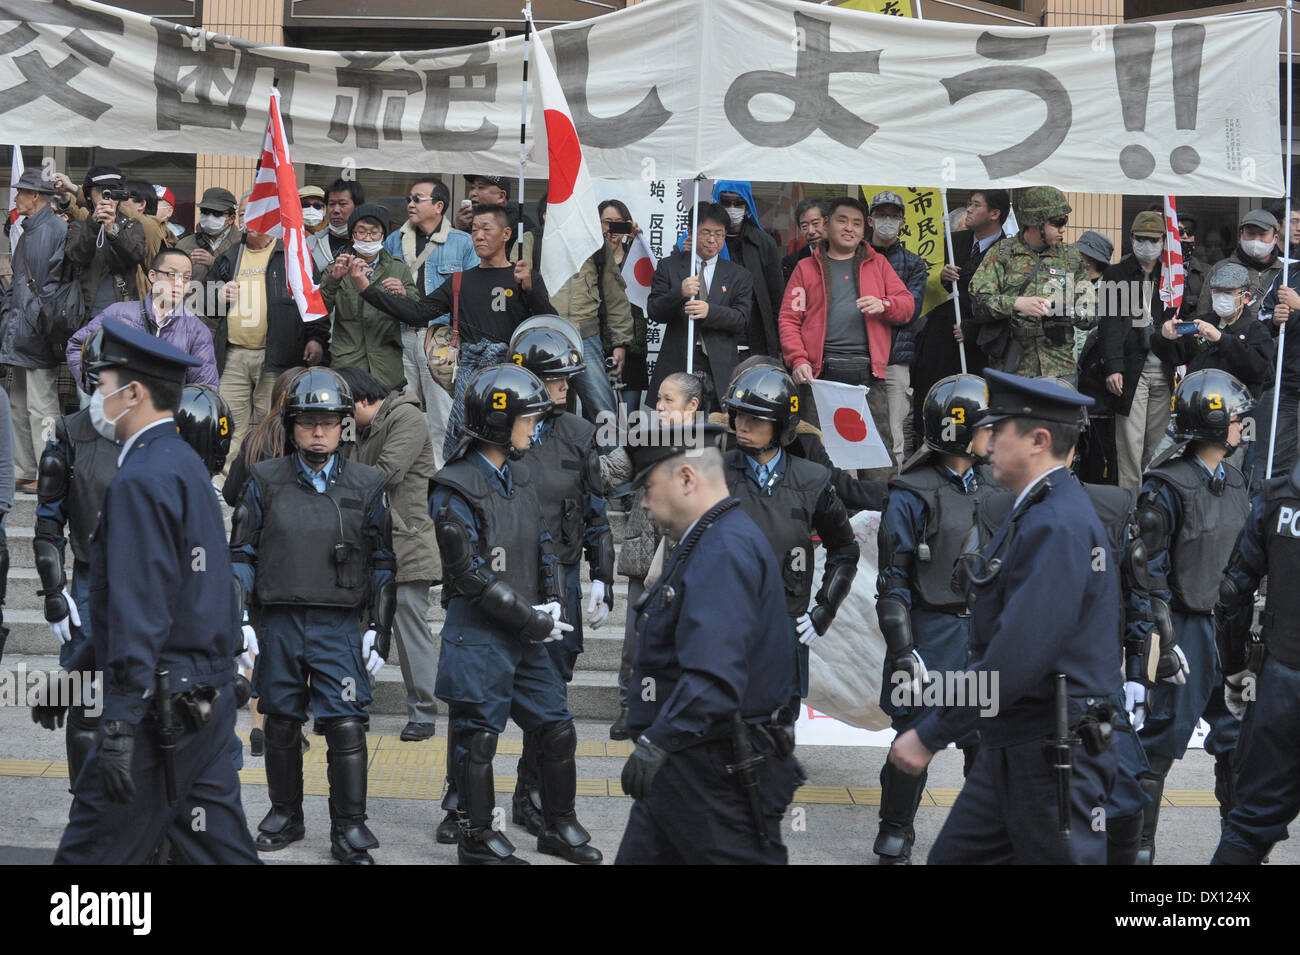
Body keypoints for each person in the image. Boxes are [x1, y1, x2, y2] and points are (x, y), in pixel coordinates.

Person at [889, 370, 1120, 864]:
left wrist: (931, 732)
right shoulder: (1034, 508)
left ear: (1038, 441)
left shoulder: (1057, 523)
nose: (987, 440)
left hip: (1051, 749)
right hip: (1013, 743)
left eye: (1000, 430)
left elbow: (1018, 656)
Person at [52, 317, 260, 865]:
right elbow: (178, 595)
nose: (95, 396)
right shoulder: (184, 463)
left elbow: (140, 610)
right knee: (219, 851)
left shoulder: (141, 478)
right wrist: (75, 675)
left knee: (89, 860)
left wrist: (118, 722)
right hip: (202, 702)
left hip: (155, 713)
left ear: (134, 393)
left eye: (102, 385)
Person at [428, 364, 601, 865]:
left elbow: (545, 544)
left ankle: (557, 822)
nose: (535, 426)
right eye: (528, 418)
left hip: (525, 631)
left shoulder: (517, 475)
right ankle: (477, 838)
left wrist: (550, 597)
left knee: (556, 726)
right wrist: (532, 618)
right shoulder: (454, 486)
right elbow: (469, 575)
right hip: (480, 635)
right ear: (499, 422)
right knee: (479, 740)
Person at [614, 421, 802, 864]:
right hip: (686, 767)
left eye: (646, 486)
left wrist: (656, 741)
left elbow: (714, 677)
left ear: (685, 478)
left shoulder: (723, 550)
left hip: (717, 776)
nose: (642, 500)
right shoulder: (707, 539)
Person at [231, 367, 396, 865]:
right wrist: (238, 616)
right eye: (308, 423)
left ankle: (349, 826)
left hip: (339, 624)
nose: (318, 432)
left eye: (328, 422)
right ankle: (285, 812)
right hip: (278, 621)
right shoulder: (264, 480)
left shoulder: (369, 484)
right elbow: (240, 552)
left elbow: (385, 560)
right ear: (292, 426)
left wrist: (379, 631)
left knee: (346, 726)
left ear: (344, 424)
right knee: (280, 721)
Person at [873, 373, 998, 864]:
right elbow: (894, 579)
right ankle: (896, 829)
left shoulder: (1001, 486)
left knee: (987, 744)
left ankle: (986, 835)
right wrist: (904, 650)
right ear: (959, 430)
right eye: (987, 425)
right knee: (913, 740)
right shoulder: (912, 491)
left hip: (987, 635)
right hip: (931, 633)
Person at [1131, 369, 1253, 864]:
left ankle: (1241, 849)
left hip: (1229, 633)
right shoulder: (1166, 487)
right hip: (1182, 629)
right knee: (1159, 745)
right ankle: (1137, 847)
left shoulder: (1235, 478)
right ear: (1214, 423)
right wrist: (1160, 642)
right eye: (1236, 418)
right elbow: (1148, 574)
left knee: (1236, 745)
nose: (1243, 426)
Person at [357, 203, 552, 461]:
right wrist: (366, 289)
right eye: (474, 230)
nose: (479, 236)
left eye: (486, 229)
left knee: (515, 446)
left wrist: (531, 290)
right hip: (470, 385)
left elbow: (548, 325)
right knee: (465, 445)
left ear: (506, 234)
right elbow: (417, 313)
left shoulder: (523, 276)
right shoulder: (460, 280)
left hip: (513, 380)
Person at [720, 363, 858, 708]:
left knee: (777, 730)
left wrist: (824, 608)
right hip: (724, 624)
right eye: (739, 415)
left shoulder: (812, 480)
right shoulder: (714, 474)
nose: (742, 425)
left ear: (781, 426)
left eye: (755, 419)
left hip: (785, 623)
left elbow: (844, 548)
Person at [333, 364, 440, 743]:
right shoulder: (363, 427)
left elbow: (385, 473)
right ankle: (355, 702)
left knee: (410, 630)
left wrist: (339, 478)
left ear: (364, 400)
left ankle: (424, 713)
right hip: (369, 545)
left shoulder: (408, 417)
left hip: (407, 542)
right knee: (358, 629)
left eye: (346, 410)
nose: (340, 420)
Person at [32, 329, 117, 790]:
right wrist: (53, 593)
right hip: (89, 580)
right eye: (102, 376)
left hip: (148, 580)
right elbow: (48, 525)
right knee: (87, 700)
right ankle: (86, 807)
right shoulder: (69, 434)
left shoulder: (159, 434)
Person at [778, 195, 914, 481]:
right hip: (819, 375)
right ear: (827, 225)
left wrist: (884, 304)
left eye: (856, 223)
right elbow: (790, 318)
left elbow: (907, 305)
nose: (849, 228)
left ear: (864, 228)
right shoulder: (805, 268)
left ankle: (875, 520)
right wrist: (798, 359)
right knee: (820, 457)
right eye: (842, 220)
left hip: (869, 373)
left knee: (877, 459)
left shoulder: (877, 264)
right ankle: (829, 523)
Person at [1212, 434, 1300, 864]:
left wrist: (1234, 668)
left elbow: (1232, 594)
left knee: (1247, 828)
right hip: (1281, 674)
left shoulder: (1277, 498)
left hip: (1282, 682)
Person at [603, 371, 702, 740]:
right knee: (636, 638)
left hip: (691, 559)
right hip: (646, 556)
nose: (659, 407)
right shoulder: (644, 439)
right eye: (658, 399)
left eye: (668, 400)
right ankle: (631, 707)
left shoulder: (711, 445)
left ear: (692, 406)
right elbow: (608, 474)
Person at [213, 196, 330, 474]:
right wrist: (216, 296)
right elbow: (202, 304)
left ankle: (269, 476)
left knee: (273, 421)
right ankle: (228, 478)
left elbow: (313, 301)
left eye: (256, 214)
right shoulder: (229, 256)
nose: (249, 220)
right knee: (228, 419)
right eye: (244, 214)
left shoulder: (291, 254)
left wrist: (316, 337)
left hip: (277, 355)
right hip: (233, 354)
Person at [382, 176, 478, 468]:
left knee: (443, 415)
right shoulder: (393, 241)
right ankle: (409, 475)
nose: (410, 204)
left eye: (417, 199)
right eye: (409, 199)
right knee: (402, 413)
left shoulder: (462, 243)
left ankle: (442, 480)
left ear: (439, 206)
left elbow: (473, 293)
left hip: (441, 339)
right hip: (400, 336)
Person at [967, 186, 1095, 378]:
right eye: (1057, 222)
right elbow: (979, 301)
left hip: (1059, 366)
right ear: (1036, 222)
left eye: (1065, 221)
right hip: (1012, 366)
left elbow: (1091, 312)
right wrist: (1017, 304)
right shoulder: (1003, 252)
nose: (1063, 228)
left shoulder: (1072, 257)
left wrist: (1062, 310)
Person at [912, 189, 1009, 432]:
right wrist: (942, 276)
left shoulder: (1009, 251)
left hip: (979, 346)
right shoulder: (952, 243)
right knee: (933, 403)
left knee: (971, 411)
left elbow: (1009, 303)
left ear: (994, 214)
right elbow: (926, 280)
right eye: (969, 204)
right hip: (940, 338)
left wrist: (973, 329)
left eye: (976, 205)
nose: (969, 210)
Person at [646, 201, 754, 412]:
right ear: (691, 232)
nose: (712, 240)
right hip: (678, 358)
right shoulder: (670, 266)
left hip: (719, 365)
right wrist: (679, 293)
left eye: (719, 234)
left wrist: (710, 311)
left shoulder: (738, 275)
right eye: (705, 232)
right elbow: (654, 311)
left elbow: (742, 319)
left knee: (715, 430)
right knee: (675, 428)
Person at [1099, 210, 1179, 491]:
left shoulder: (1173, 275)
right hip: (1131, 371)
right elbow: (1108, 324)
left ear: (1163, 241)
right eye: (1141, 239)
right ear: (1131, 239)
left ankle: (1151, 499)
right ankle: (1129, 506)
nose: (1147, 244)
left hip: (1166, 370)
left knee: (1156, 445)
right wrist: (1113, 366)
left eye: (1154, 239)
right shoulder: (1115, 274)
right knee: (1129, 446)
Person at [1, 168, 68, 494]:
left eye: (21, 192)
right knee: (20, 404)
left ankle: (46, 471)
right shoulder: (35, 229)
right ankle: (26, 469)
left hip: (34, 332)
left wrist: (26, 323)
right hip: (25, 330)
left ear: (36, 196)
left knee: (40, 406)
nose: (16, 198)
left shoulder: (48, 230)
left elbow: (46, 290)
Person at [68, 248, 219, 390]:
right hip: (118, 411)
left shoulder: (197, 330)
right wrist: (96, 387)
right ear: (152, 276)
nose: (179, 284)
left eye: (186, 278)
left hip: (166, 414)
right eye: (172, 275)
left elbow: (205, 387)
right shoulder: (118, 314)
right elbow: (77, 346)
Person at [548, 203, 635, 438]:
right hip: (545, 338)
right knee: (544, 407)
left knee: (603, 410)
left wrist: (620, 343)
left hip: (586, 338)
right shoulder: (534, 240)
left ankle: (613, 465)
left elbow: (615, 296)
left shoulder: (596, 245)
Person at [321, 204, 416, 391]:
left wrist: (404, 295)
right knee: (350, 416)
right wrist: (333, 280)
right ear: (352, 235)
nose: (368, 238)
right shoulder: (336, 268)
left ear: (383, 236)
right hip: (348, 362)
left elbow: (416, 312)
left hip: (386, 366)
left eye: (374, 233)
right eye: (361, 232)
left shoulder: (398, 268)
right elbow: (319, 311)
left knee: (386, 417)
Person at [868, 190, 932, 465]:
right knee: (855, 432)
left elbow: (910, 312)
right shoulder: (855, 258)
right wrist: (892, 303)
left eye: (893, 217)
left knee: (894, 437)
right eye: (881, 215)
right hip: (859, 358)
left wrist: (879, 305)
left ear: (903, 222)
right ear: (870, 220)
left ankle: (891, 496)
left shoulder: (914, 264)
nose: (887, 221)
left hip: (895, 361)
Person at [1151, 262, 1274, 400]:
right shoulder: (1201, 322)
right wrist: (1165, 337)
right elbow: (1174, 356)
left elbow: (1257, 367)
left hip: (1235, 409)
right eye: (1216, 292)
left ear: (1245, 297)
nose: (1221, 297)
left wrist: (1221, 339)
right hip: (1196, 403)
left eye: (1228, 293)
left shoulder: (1257, 330)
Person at [712, 180, 785, 359]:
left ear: (747, 204)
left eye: (738, 203)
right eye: (725, 202)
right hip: (713, 340)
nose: (731, 208)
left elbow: (777, 298)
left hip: (755, 341)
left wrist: (779, 346)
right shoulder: (703, 241)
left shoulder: (764, 243)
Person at [63, 165, 147, 313]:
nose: (107, 197)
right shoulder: (79, 225)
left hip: (122, 312)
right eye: (101, 191)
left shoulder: (131, 225)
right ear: (89, 195)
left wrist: (113, 231)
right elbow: (76, 256)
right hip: (86, 312)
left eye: (112, 191)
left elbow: (137, 256)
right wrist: (94, 225)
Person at [595, 199, 649, 417]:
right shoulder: (590, 258)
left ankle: (628, 452)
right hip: (596, 344)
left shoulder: (635, 256)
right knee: (600, 415)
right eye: (607, 222)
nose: (612, 229)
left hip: (632, 349)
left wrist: (639, 243)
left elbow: (654, 282)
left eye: (619, 223)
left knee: (629, 416)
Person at [178, 187, 241, 363]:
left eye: (216, 213)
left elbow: (247, 283)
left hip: (229, 333)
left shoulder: (242, 245)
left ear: (231, 218)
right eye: (205, 211)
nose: (209, 217)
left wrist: (214, 263)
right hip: (189, 329)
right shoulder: (185, 245)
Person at [1198, 209, 1281, 324]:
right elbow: (1204, 314)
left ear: (1275, 238)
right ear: (1241, 236)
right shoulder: (1221, 268)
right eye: (1251, 233)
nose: (1256, 240)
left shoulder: (1285, 272)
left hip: (1272, 341)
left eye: (1262, 234)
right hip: (1228, 340)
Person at [307, 177, 365, 274]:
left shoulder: (370, 246)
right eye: (332, 204)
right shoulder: (310, 244)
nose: (336, 210)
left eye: (342, 204)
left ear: (357, 207)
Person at [782, 198, 828, 282]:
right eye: (804, 226)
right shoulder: (791, 263)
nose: (811, 231)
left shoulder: (844, 256)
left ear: (827, 223)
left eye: (815, 223)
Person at [1177, 213, 1208, 319]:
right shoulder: (1156, 270)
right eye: (1179, 232)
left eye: (1189, 232)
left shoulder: (1208, 272)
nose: (1185, 236)